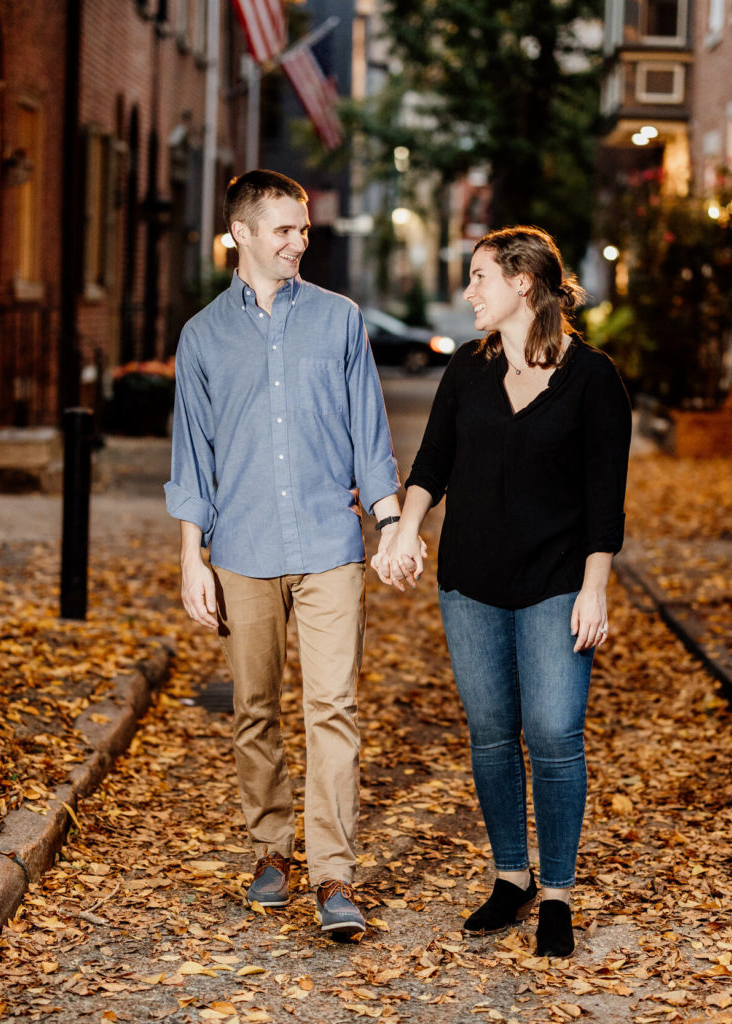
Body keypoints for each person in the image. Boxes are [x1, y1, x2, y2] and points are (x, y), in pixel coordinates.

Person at [166, 169, 414, 939]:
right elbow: (193, 457)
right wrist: (190, 557)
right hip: (240, 549)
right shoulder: (203, 336)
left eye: (303, 230)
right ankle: (272, 852)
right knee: (254, 711)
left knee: (332, 709)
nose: (298, 242)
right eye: (282, 230)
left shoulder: (339, 321)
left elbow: (369, 437)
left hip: (329, 546)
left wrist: (393, 524)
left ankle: (334, 875)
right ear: (241, 233)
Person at [382, 225, 631, 958]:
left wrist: (596, 590)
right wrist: (403, 531)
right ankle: (510, 876)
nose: (469, 292)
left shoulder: (593, 379)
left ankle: (556, 892)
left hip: (557, 583)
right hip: (471, 583)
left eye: (479, 277)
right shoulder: (467, 368)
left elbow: (604, 501)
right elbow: (433, 463)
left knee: (554, 733)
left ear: (523, 283)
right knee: (492, 733)